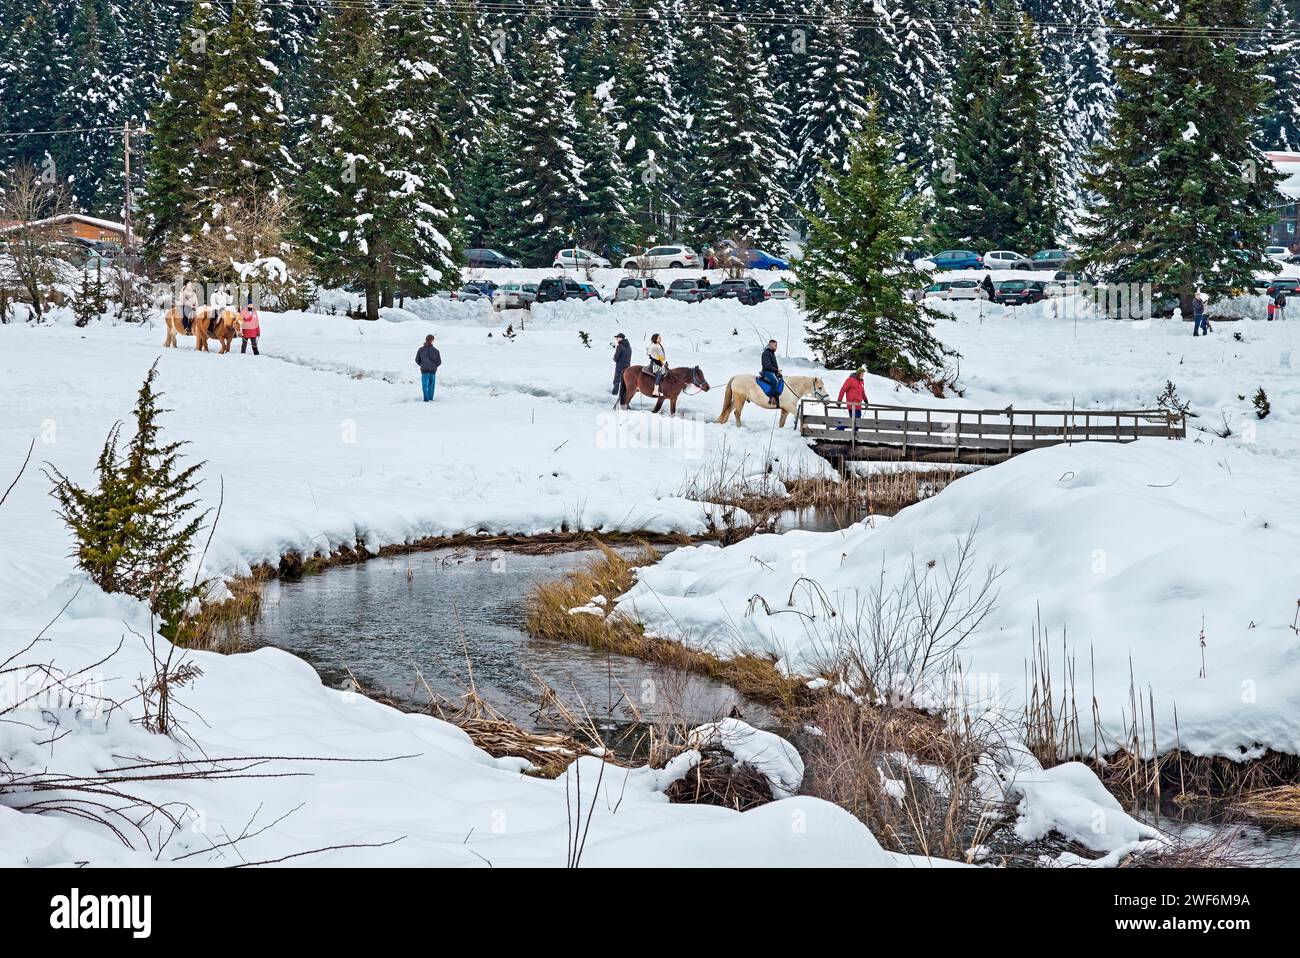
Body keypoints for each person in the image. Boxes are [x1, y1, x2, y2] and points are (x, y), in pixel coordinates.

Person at [415, 334, 441, 402]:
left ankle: (426, 399)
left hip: (424, 370)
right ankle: (430, 398)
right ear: (432, 341)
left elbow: (417, 360)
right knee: (431, 386)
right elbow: (439, 362)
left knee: (425, 385)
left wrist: (422, 364)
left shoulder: (421, 350)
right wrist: (434, 366)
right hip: (432, 371)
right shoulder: (436, 351)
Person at [759, 339, 782, 406]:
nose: (776, 347)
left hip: (772, 371)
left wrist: (777, 371)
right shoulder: (766, 353)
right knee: (775, 381)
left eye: (776, 346)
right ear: (770, 345)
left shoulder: (771, 353)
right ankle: (771, 398)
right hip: (767, 372)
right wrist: (776, 370)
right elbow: (767, 366)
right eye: (775, 345)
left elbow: (772, 365)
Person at [612, 332, 631, 404]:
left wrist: (614, 359)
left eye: (618, 337)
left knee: (617, 380)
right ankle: (624, 395)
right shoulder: (629, 346)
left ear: (621, 338)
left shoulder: (620, 346)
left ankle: (614, 394)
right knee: (625, 381)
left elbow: (616, 357)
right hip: (627, 366)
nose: (616, 339)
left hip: (620, 366)